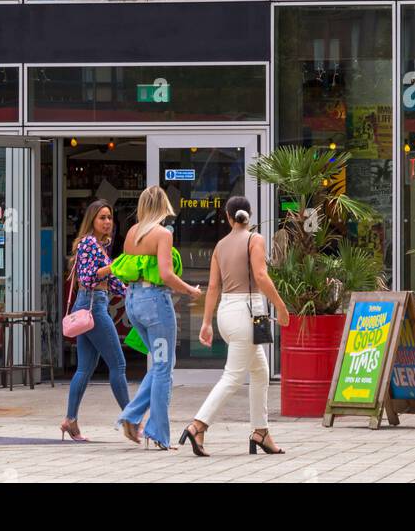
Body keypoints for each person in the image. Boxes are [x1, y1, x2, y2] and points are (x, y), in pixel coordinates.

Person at [179, 195, 288, 456]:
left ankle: (261, 432)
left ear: (228, 218)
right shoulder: (255, 239)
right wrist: (281, 307)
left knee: (260, 371)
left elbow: (213, 287)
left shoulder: (220, 246)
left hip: (227, 314)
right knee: (233, 376)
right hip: (247, 313)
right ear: (249, 216)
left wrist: (206, 322)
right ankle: (198, 425)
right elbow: (260, 275)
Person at [111, 185, 202, 450]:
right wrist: (190, 290)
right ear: (164, 206)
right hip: (155, 304)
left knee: (161, 363)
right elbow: (165, 273)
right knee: (164, 368)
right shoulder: (163, 234)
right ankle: (157, 432)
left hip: (133, 302)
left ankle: (132, 415)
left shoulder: (132, 233)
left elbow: (126, 266)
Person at [60, 200, 130, 441]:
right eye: (102, 217)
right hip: (93, 306)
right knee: (118, 365)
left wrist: (128, 292)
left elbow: (109, 281)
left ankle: (70, 420)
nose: (107, 222)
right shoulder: (89, 243)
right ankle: (131, 419)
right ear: (92, 220)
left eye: (109, 217)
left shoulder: (101, 245)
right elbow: (89, 278)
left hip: (90, 305)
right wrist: (114, 266)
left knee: (85, 368)